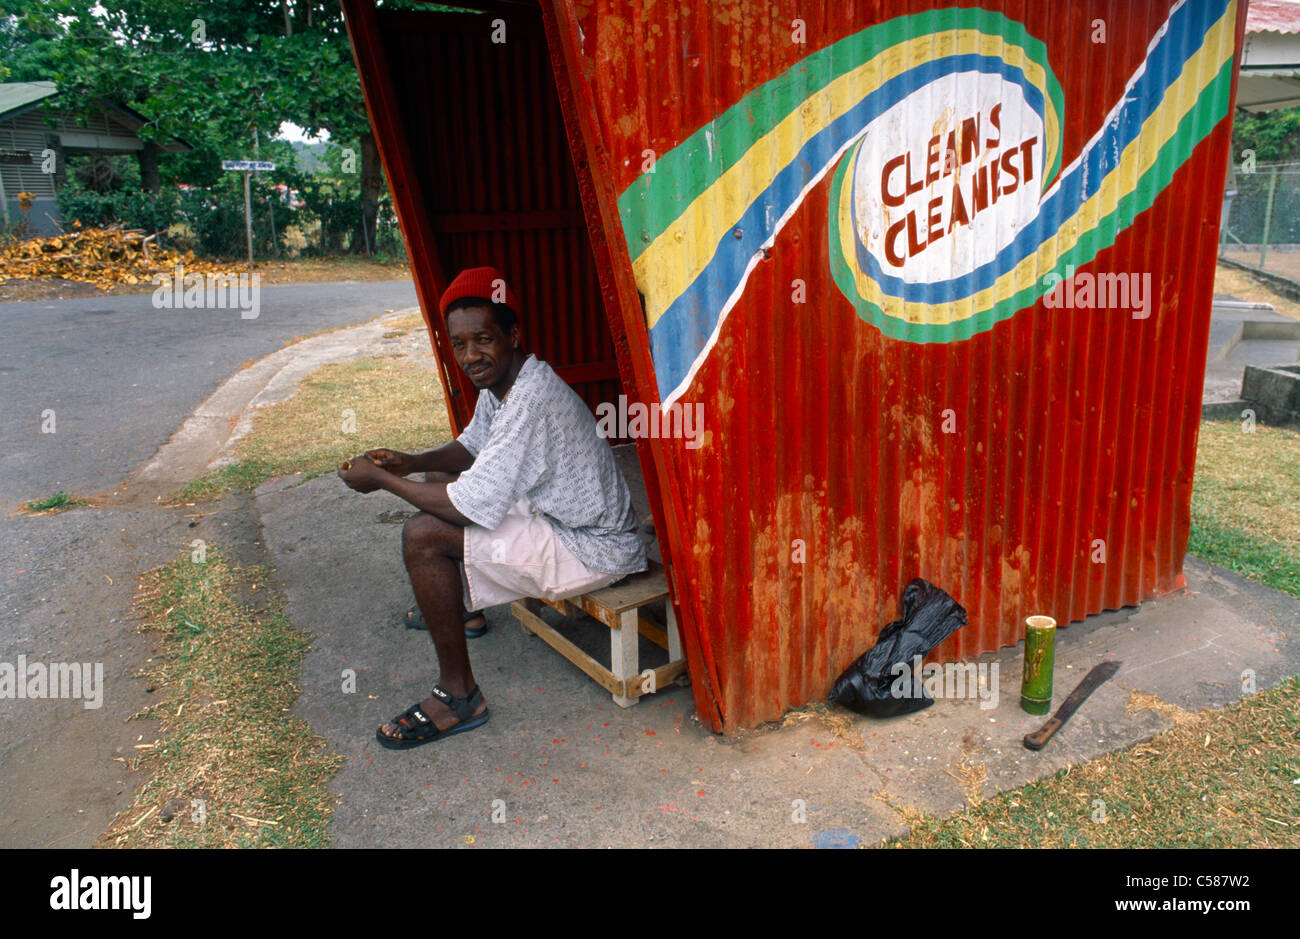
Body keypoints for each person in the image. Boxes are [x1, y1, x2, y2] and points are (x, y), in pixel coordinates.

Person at [337, 266, 647, 750]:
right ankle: (464, 610)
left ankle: (459, 696)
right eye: (459, 345)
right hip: (557, 520)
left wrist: (380, 480)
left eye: (483, 339)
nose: (471, 357)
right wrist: (410, 462)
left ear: (513, 334)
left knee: (422, 535)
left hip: (591, 546)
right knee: (437, 476)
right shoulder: (504, 382)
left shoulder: (532, 396)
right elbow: (471, 449)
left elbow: (466, 508)